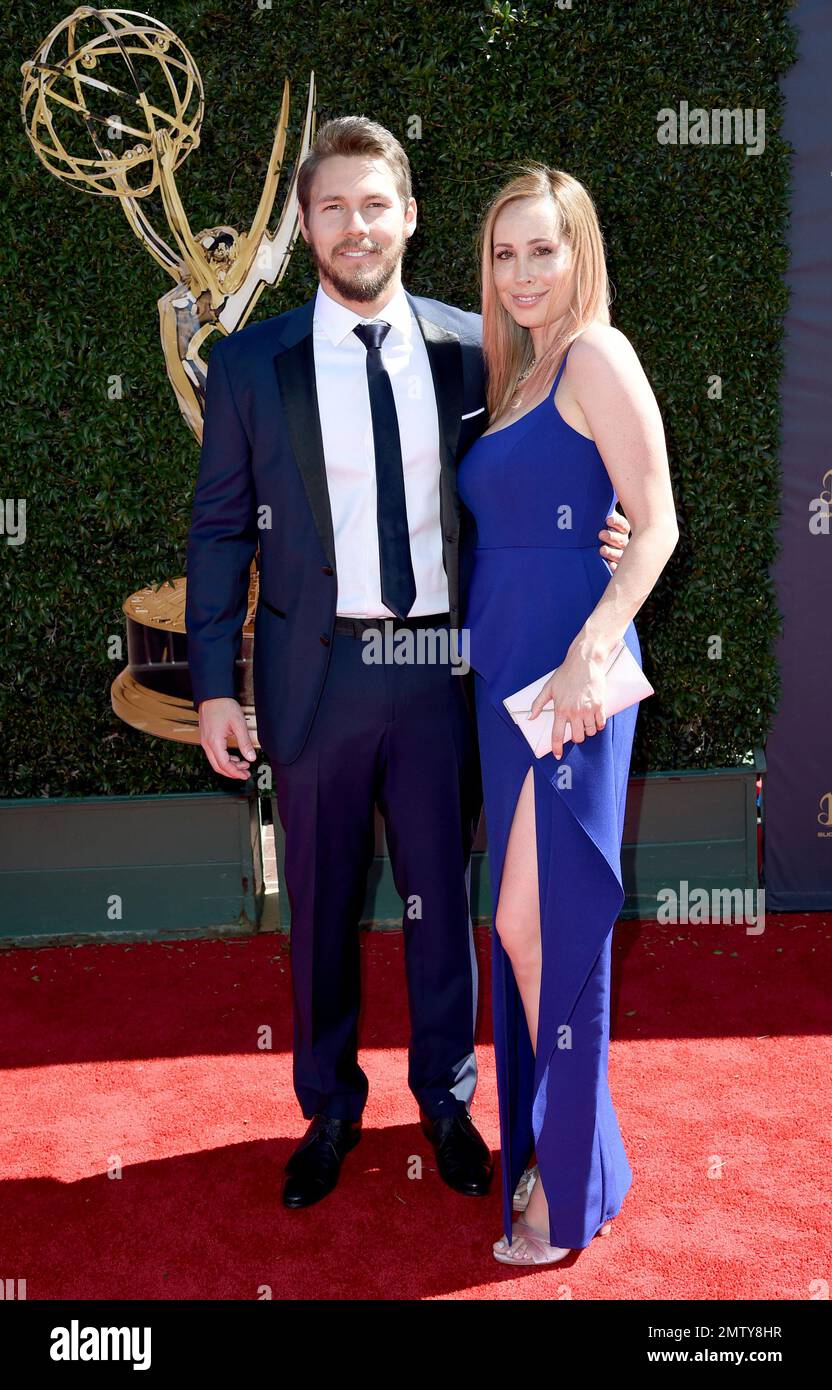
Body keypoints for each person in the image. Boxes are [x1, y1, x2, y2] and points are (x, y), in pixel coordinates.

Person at [185, 119, 631, 1213]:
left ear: (410, 216)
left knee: (444, 895)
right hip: (317, 670)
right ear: (304, 226)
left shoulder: (476, 347)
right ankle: (329, 1110)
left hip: (446, 668)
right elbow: (219, 531)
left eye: (375, 204)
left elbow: (547, 462)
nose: (356, 226)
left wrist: (604, 533)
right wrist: (212, 685)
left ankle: (446, 1098)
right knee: (320, 908)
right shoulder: (248, 364)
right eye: (333, 207)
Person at [456, 165, 679, 1265]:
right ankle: (584, 1153)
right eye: (504, 254)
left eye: (542, 249)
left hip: (569, 681)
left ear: (579, 249)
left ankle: (572, 1173)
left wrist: (590, 654)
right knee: (520, 927)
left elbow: (657, 523)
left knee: (553, 923)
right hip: (505, 680)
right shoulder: (515, 373)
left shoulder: (597, 353)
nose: (522, 272)